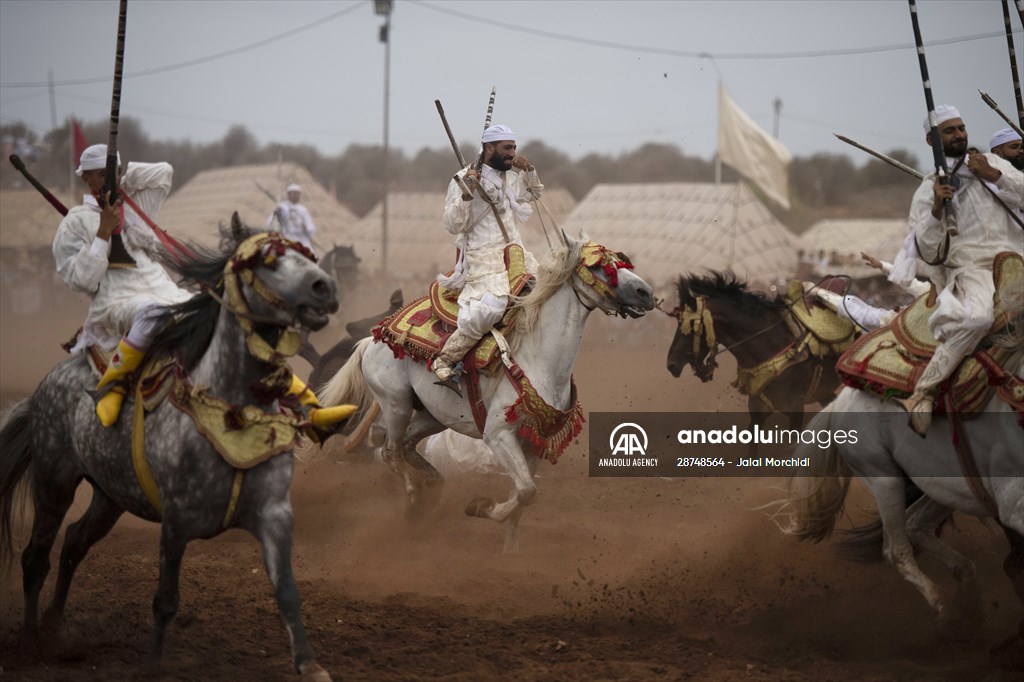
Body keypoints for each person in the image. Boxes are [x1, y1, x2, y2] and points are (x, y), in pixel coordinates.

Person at [903, 105, 1024, 435]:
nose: (959, 135)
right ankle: (924, 391)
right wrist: (938, 209)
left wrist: (994, 175)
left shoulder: (994, 164)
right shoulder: (927, 189)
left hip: (1016, 262)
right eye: (949, 131)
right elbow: (927, 251)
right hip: (972, 270)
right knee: (978, 319)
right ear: (932, 140)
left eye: (961, 128)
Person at [54, 144, 191, 426]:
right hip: (116, 302)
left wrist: (123, 182)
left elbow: (164, 172)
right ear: (86, 178)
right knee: (153, 313)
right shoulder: (74, 223)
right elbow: (83, 281)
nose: (107, 180)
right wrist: (103, 231)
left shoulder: (134, 205)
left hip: (165, 290)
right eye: (100, 175)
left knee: (214, 307)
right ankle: (113, 385)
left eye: (112, 173)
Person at [432, 124, 544, 388]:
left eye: (514, 148)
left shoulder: (513, 178)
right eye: (507, 148)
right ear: (489, 148)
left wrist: (530, 171)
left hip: (516, 257)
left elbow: (535, 193)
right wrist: (466, 192)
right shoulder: (462, 177)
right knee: (489, 309)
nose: (513, 153)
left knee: (549, 296)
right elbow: (451, 225)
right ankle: (446, 360)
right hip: (483, 260)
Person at [268, 183, 317, 255]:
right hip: (285, 238)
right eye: (294, 194)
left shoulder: (303, 209)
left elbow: (311, 227)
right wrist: (276, 216)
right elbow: (270, 223)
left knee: (312, 256)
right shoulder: (281, 207)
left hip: (301, 240)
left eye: (298, 194)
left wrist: (306, 227)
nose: (296, 196)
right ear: (288, 194)